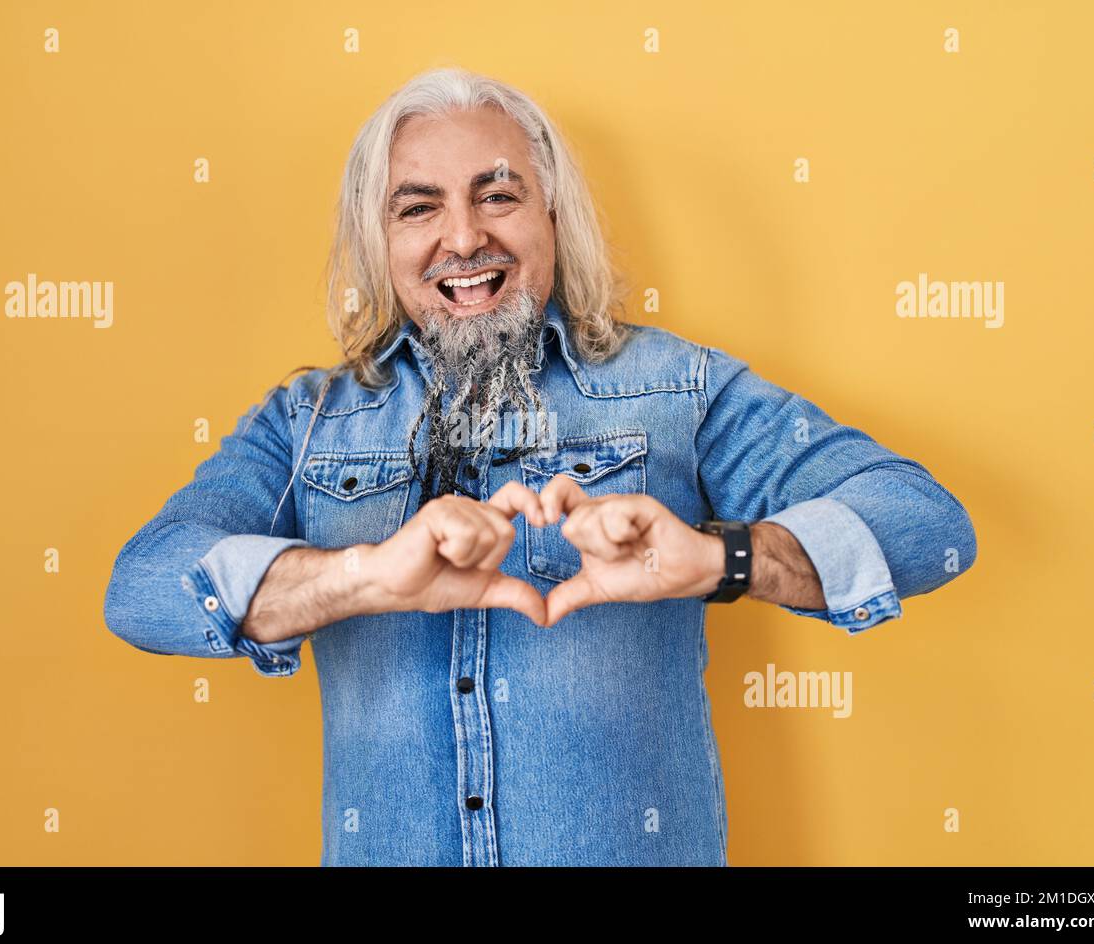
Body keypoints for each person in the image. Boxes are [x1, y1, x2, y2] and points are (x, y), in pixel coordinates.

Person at [103, 67, 977, 866]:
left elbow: (927, 523)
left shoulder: (677, 387)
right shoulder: (307, 422)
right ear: (379, 239)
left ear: (554, 213)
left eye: (498, 195)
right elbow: (142, 587)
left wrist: (720, 559)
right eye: (418, 208)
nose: (464, 237)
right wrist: (362, 576)